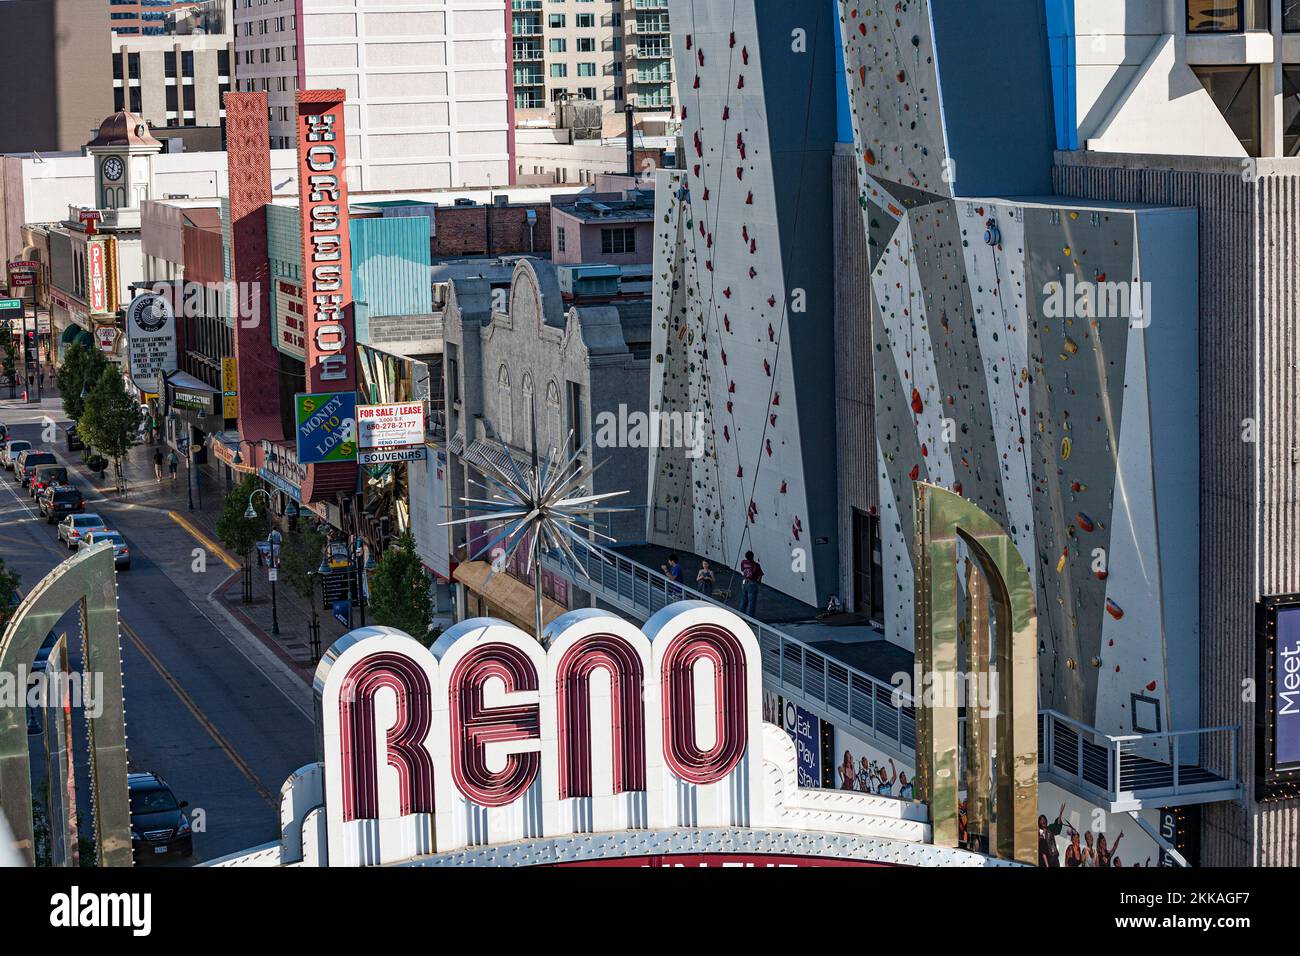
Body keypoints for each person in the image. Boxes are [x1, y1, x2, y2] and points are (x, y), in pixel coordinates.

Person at [739, 550, 763, 616]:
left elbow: (742, 570)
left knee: (744, 600)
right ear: (753, 556)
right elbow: (760, 575)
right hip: (752, 583)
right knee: (751, 602)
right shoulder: (756, 565)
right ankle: (749, 618)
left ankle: (741, 615)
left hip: (744, 582)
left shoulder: (743, 562)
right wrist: (759, 582)